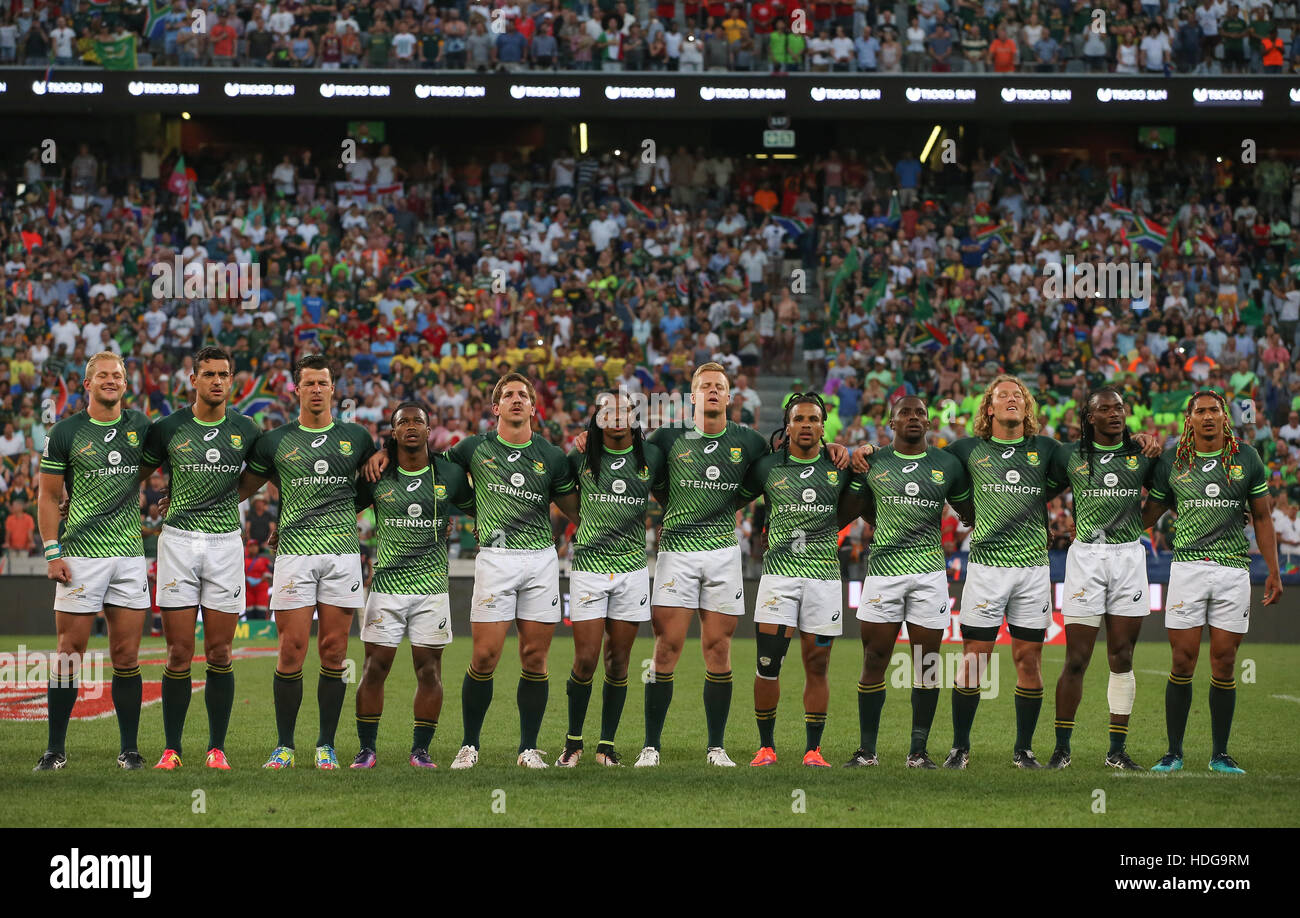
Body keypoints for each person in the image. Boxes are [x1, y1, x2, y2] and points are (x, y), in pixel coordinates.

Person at [573, 363, 856, 766]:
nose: (711, 391)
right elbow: (629, 458)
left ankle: (716, 747)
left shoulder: (750, 441)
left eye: (718, 387)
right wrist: (591, 435)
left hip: (724, 554)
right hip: (676, 553)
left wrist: (832, 449)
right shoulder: (668, 438)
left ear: (728, 397)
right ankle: (651, 746)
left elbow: (790, 458)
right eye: (703, 386)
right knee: (666, 648)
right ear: (692, 396)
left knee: (718, 649)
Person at [367, 373, 580, 768]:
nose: (516, 400)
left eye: (523, 395)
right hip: (496, 558)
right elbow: (425, 467)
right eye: (508, 395)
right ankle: (469, 745)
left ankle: (528, 748)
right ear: (495, 408)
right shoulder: (471, 449)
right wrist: (385, 450)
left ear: (534, 407)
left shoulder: (551, 456)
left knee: (535, 658)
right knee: (484, 656)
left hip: (540, 559)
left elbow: (578, 511)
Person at [239, 354, 377, 770]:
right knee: (291, 650)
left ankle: (325, 745)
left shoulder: (357, 437)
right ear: (295, 389)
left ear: (333, 388)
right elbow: (245, 485)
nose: (316, 389)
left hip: (341, 554)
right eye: (309, 383)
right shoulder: (275, 440)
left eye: (323, 383)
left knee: (334, 651)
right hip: (295, 555)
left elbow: (376, 484)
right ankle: (284, 745)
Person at [1142, 390, 1282, 774]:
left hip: (1234, 570)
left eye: (1214, 410)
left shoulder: (1246, 458)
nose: (1207, 416)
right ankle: (1173, 752)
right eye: (1200, 411)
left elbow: (1263, 518)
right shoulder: (1172, 460)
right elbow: (1150, 513)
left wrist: (1273, 569)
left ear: (1225, 417)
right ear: (1189, 419)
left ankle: (1220, 754)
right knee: (1182, 661)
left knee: (1223, 661)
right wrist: (1103, 529)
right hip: (1187, 568)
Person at [139, 346, 261, 770]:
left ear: (232, 381)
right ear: (193, 379)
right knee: (177, 652)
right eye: (207, 374)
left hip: (225, 544)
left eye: (223, 375)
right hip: (177, 541)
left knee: (220, 651)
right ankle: (171, 749)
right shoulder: (169, 426)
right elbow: (134, 475)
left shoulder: (246, 429)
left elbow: (260, 474)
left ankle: (217, 749)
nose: (216, 381)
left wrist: (219, 498)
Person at [35, 352, 153, 771]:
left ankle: (130, 750)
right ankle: (54, 750)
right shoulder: (65, 432)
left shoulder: (141, 427)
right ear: (87, 384)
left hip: (128, 557)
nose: (110, 381)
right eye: (102, 376)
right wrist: (53, 553)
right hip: (82, 555)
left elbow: (173, 460)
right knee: (69, 651)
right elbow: (48, 496)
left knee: (126, 654)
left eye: (117, 376)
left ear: (125, 384)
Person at [741, 393, 868, 768]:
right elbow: (735, 498)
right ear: (788, 425)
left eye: (814, 419)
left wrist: (858, 448)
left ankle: (813, 750)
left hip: (824, 581)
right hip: (779, 578)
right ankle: (766, 747)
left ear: (823, 426)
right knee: (768, 663)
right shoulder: (767, 468)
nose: (807, 425)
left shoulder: (839, 466)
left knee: (817, 665)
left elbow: (856, 498)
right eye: (800, 419)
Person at [849, 395, 974, 768]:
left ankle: (918, 751)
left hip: (929, 575)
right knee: (874, 658)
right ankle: (867, 751)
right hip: (883, 574)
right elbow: (859, 507)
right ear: (891, 423)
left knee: (927, 662)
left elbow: (968, 510)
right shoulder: (873, 461)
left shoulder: (945, 463)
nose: (914, 417)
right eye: (905, 412)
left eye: (921, 412)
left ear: (930, 422)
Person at [351, 402, 475, 769]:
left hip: (431, 589)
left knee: (429, 671)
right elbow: (343, 506)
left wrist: (470, 528)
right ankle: (367, 749)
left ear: (428, 428)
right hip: (387, 586)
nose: (410, 426)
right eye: (402, 421)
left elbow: (478, 506)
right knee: (374, 668)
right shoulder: (377, 475)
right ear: (393, 431)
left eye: (417, 421)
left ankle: (420, 750)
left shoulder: (449, 474)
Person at [1045, 388, 1156, 771]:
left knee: (1122, 657)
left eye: (1119, 408)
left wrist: (1140, 522)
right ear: (1089, 417)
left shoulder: (1141, 454)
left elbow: (1170, 492)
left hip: (1128, 556)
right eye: (1104, 408)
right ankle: (1061, 749)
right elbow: (1035, 488)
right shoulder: (1068, 455)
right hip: (1086, 558)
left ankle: (1116, 751)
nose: (1114, 413)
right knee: (1076, 659)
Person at [557, 390, 666, 766]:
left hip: (633, 569)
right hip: (588, 568)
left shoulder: (651, 455)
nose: (617, 417)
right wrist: (586, 523)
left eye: (624, 411)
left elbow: (672, 493)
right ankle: (573, 743)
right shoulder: (580, 455)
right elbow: (560, 492)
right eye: (609, 411)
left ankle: (606, 746)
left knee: (618, 662)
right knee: (585, 659)